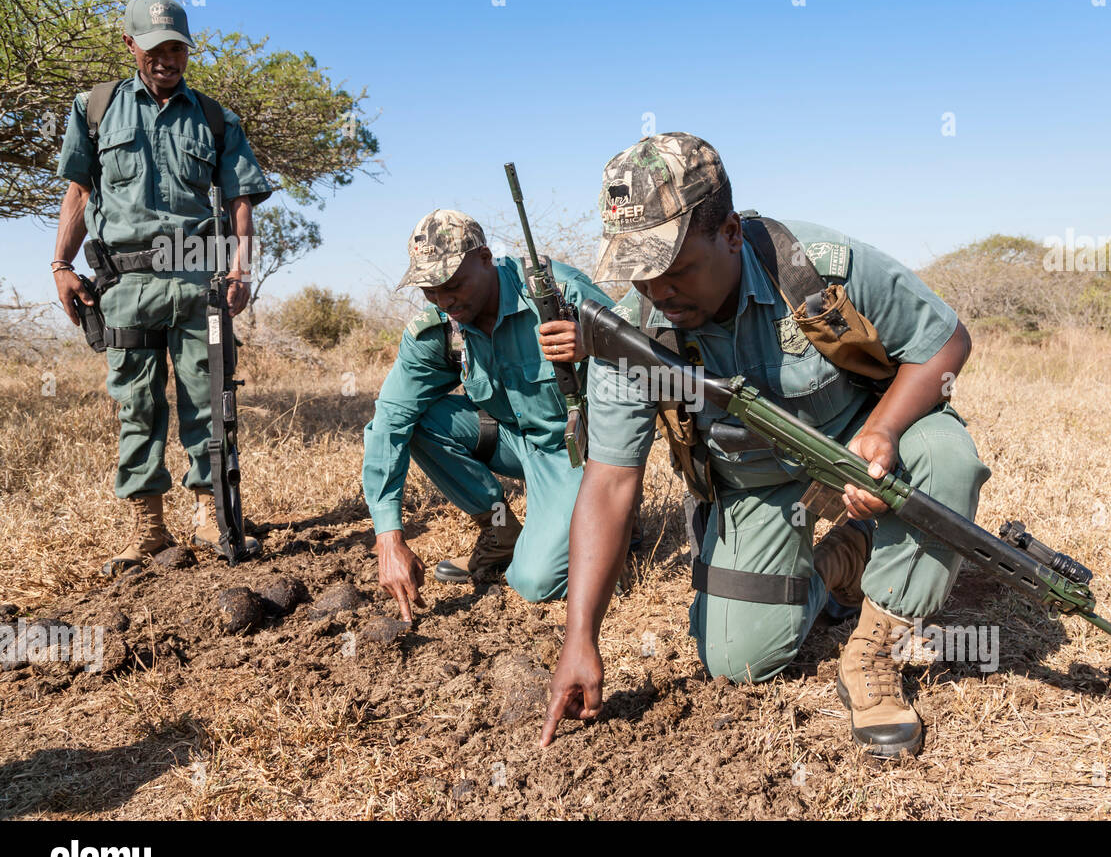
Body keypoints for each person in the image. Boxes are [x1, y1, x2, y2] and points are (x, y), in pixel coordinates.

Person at [541, 133, 991, 758]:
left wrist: (883, 431)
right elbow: (610, 483)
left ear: (728, 233)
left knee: (947, 458)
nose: (658, 293)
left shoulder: (816, 265)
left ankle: (875, 653)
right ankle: (844, 560)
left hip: (867, 444)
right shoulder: (631, 338)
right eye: (642, 277)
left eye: (674, 270)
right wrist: (580, 637)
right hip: (756, 483)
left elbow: (944, 343)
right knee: (738, 661)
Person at [49, 0, 272, 575]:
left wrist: (240, 268)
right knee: (136, 404)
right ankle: (147, 527)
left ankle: (209, 513)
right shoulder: (95, 108)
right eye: (154, 48)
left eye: (176, 47)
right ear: (131, 47)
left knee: (210, 397)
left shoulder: (216, 117)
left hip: (201, 278)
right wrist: (60, 265)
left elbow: (242, 199)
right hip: (125, 283)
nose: (166, 58)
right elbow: (78, 192)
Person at [362, 209, 616, 621]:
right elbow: (389, 420)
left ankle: (612, 524)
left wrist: (593, 342)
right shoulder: (441, 330)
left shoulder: (557, 292)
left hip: (579, 449)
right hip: (517, 442)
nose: (444, 300)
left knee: (533, 582)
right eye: (430, 289)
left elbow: (642, 353)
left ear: (484, 259)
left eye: (453, 284)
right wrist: (388, 537)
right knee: (415, 421)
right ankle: (501, 530)